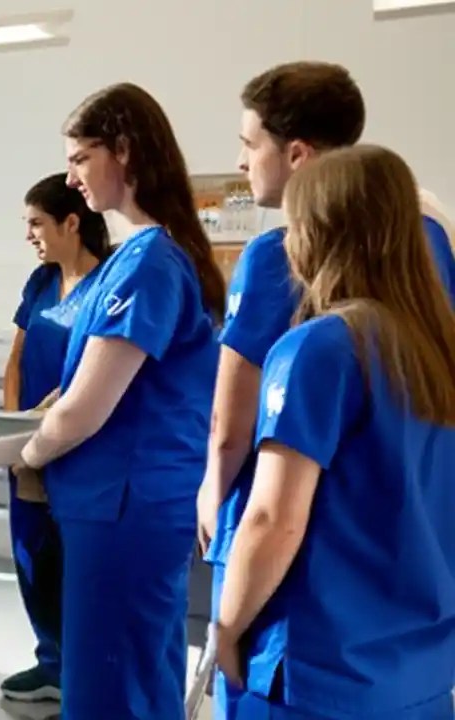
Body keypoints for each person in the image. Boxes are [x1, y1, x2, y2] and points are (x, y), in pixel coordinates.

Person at [198, 61, 455, 719]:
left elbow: (272, 517)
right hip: (417, 671)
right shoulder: (434, 346)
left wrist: (223, 630)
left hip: (316, 670)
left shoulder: (319, 347)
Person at [16, 83, 225, 719]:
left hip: (123, 508)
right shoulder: (137, 256)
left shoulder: (149, 262)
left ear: (125, 151)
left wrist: (29, 451)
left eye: (81, 158)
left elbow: (86, 410)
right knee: (141, 677)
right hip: (124, 504)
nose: (72, 176)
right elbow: (101, 381)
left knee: (110, 689)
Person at [0, 172, 111, 704]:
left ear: (72, 222)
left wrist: (47, 426)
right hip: (26, 449)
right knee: (30, 558)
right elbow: (17, 359)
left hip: (79, 445)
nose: (30, 235)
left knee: (75, 566)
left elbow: (98, 372)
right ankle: (51, 663)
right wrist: (9, 432)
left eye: (36, 223)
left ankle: (82, 672)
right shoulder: (40, 282)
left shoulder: (108, 284)